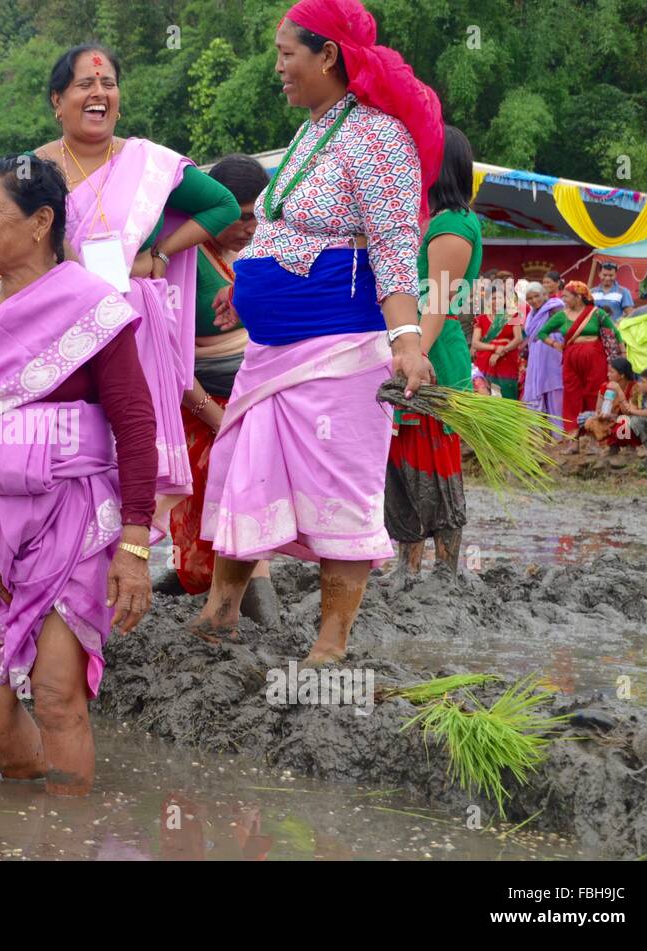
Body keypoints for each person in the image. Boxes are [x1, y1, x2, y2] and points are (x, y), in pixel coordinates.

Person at [199, 0, 442, 662]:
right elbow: (284, 225)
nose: (277, 66)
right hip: (273, 351)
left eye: (287, 53)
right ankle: (219, 613)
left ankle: (331, 643)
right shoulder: (315, 132)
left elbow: (395, 244)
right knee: (247, 470)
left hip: (339, 351)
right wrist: (246, 285)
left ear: (328, 55)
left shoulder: (379, 137)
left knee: (339, 490)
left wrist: (407, 341)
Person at [0, 155, 156, 796]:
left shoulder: (93, 306)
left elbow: (135, 426)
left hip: (72, 512)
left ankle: (68, 829)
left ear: (40, 222)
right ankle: (28, 817)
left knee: (55, 693)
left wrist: (134, 548)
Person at [33, 45, 241, 533]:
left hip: (136, 325)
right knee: (75, 445)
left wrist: (163, 254)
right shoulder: (33, 170)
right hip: (63, 324)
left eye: (107, 85)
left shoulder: (150, 164)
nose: (99, 94)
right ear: (57, 101)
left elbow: (224, 206)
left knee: (130, 435)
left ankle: (126, 557)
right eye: (84, 85)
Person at [158, 154, 280, 624]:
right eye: (240, 215)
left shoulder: (244, 257)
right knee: (230, 515)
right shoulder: (184, 260)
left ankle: (243, 617)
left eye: (257, 216)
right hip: (205, 406)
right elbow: (167, 354)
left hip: (249, 401)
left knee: (251, 513)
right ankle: (262, 626)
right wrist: (214, 415)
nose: (249, 226)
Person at [385, 124, 481, 579]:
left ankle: (446, 570)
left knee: (436, 459)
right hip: (415, 348)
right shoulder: (428, 222)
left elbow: (438, 304)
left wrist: (414, 356)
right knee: (404, 458)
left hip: (434, 355)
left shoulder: (452, 225)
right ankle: (407, 563)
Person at [536, 280, 624, 444]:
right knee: (571, 392)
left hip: (595, 357)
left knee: (594, 390)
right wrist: (555, 344)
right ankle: (573, 430)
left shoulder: (596, 313)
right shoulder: (561, 315)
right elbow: (542, 333)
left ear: (578, 297)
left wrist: (622, 354)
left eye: (567, 296)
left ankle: (594, 428)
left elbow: (615, 333)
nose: (564, 300)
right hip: (570, 358)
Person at [522, 277, 566, 433]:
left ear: (544, 295)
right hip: (537, 356)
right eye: (529, 298)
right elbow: (530, 335)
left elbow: (565, 328)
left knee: (555, 391)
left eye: (536, 296)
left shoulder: (556, 307)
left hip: (553, 354)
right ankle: (540, 434)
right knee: (539, 390)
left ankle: (559, 433)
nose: (534, 300)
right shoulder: (531, 315)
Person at [471, 274, 523, 399]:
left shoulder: (512, 315)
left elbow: (518, 339)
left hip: (507, 360)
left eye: (500, 298)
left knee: (507, 396)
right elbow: (475, 343)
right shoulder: (481, 319)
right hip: (485, 361)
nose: (497, 301)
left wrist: (501, 351)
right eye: (493, 298)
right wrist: (495, 348)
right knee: (487, 396)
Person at [579, 358, 639, 453]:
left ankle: (628, 446)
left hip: (628, 419)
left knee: (622, 424)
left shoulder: (634, 387)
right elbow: (598, 409)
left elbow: (628, 413)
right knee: (586, 419)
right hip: (610, 418)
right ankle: (609, 446)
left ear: (622, 375)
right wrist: (600, 414)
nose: (608, 375)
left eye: (612, 372)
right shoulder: (605, 386)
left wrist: (619, 391)